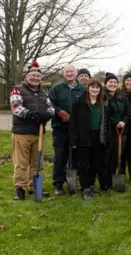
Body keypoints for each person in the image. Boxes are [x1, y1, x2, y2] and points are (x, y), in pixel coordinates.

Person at [10, 64, 54, 200]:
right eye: (32, 75)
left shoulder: (43, 93)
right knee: (21, 163)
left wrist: (48, 114)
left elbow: (51, 107)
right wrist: (33, 115)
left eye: (37, 76)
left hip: (38, 133)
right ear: (26, 77)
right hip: (22, 133)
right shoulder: (17, 90)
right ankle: (20, 189)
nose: (35, 78)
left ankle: (34, 187)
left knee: (38, 163)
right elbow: (16, 107)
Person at [48, 64, 86, 195]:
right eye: (67, 72)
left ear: (76, 74)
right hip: (60, 128)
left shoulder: (83, 89)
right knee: (60, 156)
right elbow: (50, 104)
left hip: (77, 130)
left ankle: (75, 182)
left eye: (72, 71)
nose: (69, 73)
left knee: (76, 156)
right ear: (63, 74)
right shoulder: (56, 88)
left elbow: (86, 107)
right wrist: (59, 112)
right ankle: (58, 183)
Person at [70, 78, 108, 199]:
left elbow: (105, 123)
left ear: (100, 90)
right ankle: (85, 188)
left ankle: (91, 186)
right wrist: (73, 140)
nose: (95, 89)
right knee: (84, 164)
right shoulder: (79, 103)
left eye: (97, 87)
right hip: (84, 137)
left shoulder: (102, 104)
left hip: (98, 137)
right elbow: (73, 123)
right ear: (88, 88)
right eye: (92, 87)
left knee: (95, 163)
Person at [104, 72, 131, 189]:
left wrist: (124, 121)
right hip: (107, 131)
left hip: (121, 132)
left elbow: (129, 111)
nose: (113, 84)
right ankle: (105, 179)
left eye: (115, 82)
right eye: (110, 82)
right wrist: (116, 122)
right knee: (106, 156)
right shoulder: (103, 96)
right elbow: (105, 114)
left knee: (116, 155)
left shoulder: (122, 96)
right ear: (106, 84)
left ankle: (113, 179)